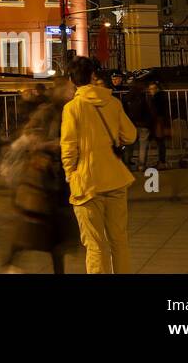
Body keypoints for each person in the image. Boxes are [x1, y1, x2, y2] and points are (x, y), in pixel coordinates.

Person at [60, 57, 136, 274]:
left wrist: (70, 174)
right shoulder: (113, 102)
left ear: (72, 80)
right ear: (94, 77)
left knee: (95, 245)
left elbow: (68, 147)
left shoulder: (72, 108)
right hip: (115, 178)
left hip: (87, 183)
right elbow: (130, 135)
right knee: (119, 241)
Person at [4, 80, 75, 274]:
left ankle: (54, 268)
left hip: (59, 178)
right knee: (30, 224)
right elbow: (29, 136)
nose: (70, 93)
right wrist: (51, 144)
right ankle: (13, 262)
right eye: (67, 90)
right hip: (39, 178)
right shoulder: (46, 111)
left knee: (55, 232)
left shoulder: (72, 111)